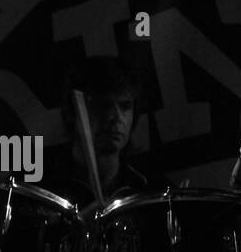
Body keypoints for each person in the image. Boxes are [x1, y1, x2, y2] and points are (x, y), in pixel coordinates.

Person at [40, 57, 163, 207]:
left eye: (125, 106)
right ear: (71, 112)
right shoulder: (39, 186)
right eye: (103, 105)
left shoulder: (148, 191)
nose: (116, 117)